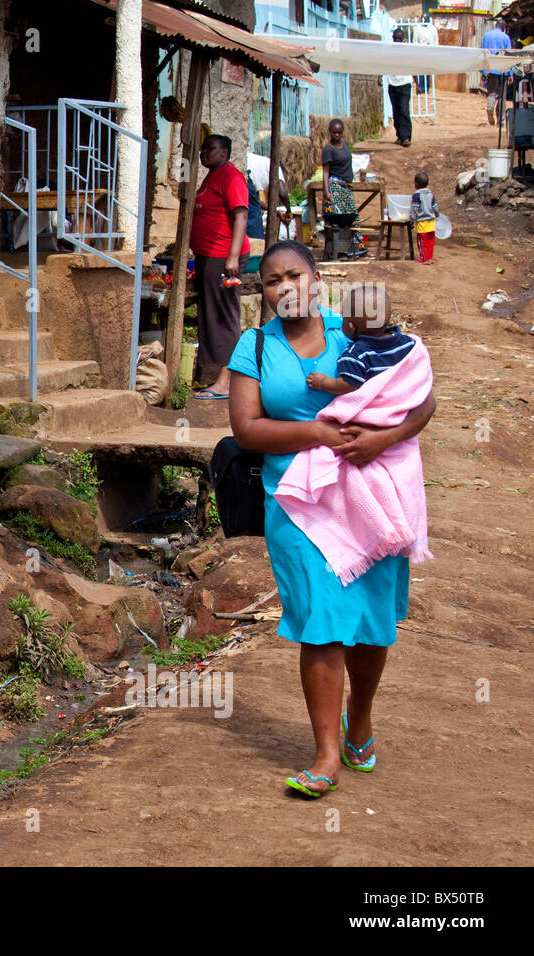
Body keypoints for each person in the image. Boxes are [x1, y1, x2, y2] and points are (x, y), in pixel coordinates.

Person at [227, 241, 437, 798]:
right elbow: (247, 429)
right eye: (272, 281)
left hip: (371, 493)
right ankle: (324, 754)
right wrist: (320, 433)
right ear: (263, 292)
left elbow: (422, 395)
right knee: (320, 619)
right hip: (295, 498)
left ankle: (360, 720)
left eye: (294, 275)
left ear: (317, 280)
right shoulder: (253, 347)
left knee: (369, 620)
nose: (284, 287)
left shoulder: (361, 328)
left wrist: (384, 439)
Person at [189, 134, 249, 400]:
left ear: (224, 151)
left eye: (210, 148)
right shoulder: (212, 176)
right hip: (208, 256)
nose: (204, 153)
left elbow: (241, 215)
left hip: (224, 256)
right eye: (203, 148)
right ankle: (217, 377)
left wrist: (233, 257)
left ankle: (227, 382)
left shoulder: (231, 177)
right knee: (210, 315)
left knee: (224, 316)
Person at [320, 120, 367, 261]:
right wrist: (327, 191)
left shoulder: (345, 145)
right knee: (337, 218)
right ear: (330, 131)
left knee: (353, 217)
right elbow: (326, 171)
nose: (337, 135)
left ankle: (355, 248)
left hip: (346, 187)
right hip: (335, 187)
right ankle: (337, 251)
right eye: (334, 132)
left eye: (339, 132)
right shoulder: (328, 149)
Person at [482, 19, 513, 126]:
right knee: (502, 96)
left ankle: (490, 106)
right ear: (503, 28)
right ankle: (501, 120)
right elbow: (509, 55)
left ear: (495, 26)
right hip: (502, 69)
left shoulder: (486, 36)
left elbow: (483, 54)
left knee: (492, 92)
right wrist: (511, 73)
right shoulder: (505, 37)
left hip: (490, 68)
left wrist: (483, 71)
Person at [386, 29, 413, 148]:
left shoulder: (408, 51)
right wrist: (379, 77)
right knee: (396, 112)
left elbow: (414, 66)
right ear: (393, 38)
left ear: (403, 39)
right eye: (395, 38)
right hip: (392, 84)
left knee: (404, 110)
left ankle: (406, 137)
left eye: (399, 39)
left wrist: (417, 83)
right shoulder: (389, 52)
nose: (397, 41)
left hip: (405, 84)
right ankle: (399, 136)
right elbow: (382, 64)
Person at [409, 171, 440, 265]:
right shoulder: (430, 194)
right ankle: (429, 258)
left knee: (422, 241)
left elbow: (414, 209)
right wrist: (437, 214)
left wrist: (411, 219)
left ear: (416, 184)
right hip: (431, 221)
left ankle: (423, 258)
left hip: (422, 222)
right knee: (430, 241)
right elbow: (434, 206)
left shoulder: (417, 195)